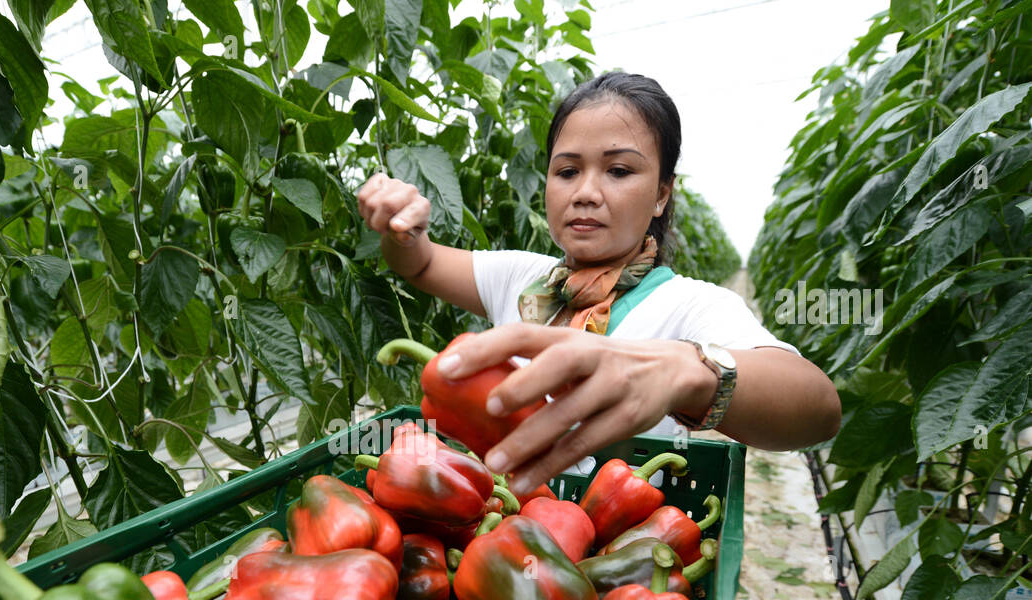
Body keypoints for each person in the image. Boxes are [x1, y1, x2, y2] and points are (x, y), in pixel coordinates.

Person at [356, 70, 841, 499]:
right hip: (500, 529)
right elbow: (420, 265)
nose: (586, 192)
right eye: (567, 171)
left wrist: (687, 372)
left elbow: (818, 409)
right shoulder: (521, 278)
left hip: (616, 553)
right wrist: (404, 228)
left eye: (619, 170)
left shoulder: (691, 308)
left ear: (661, 195)